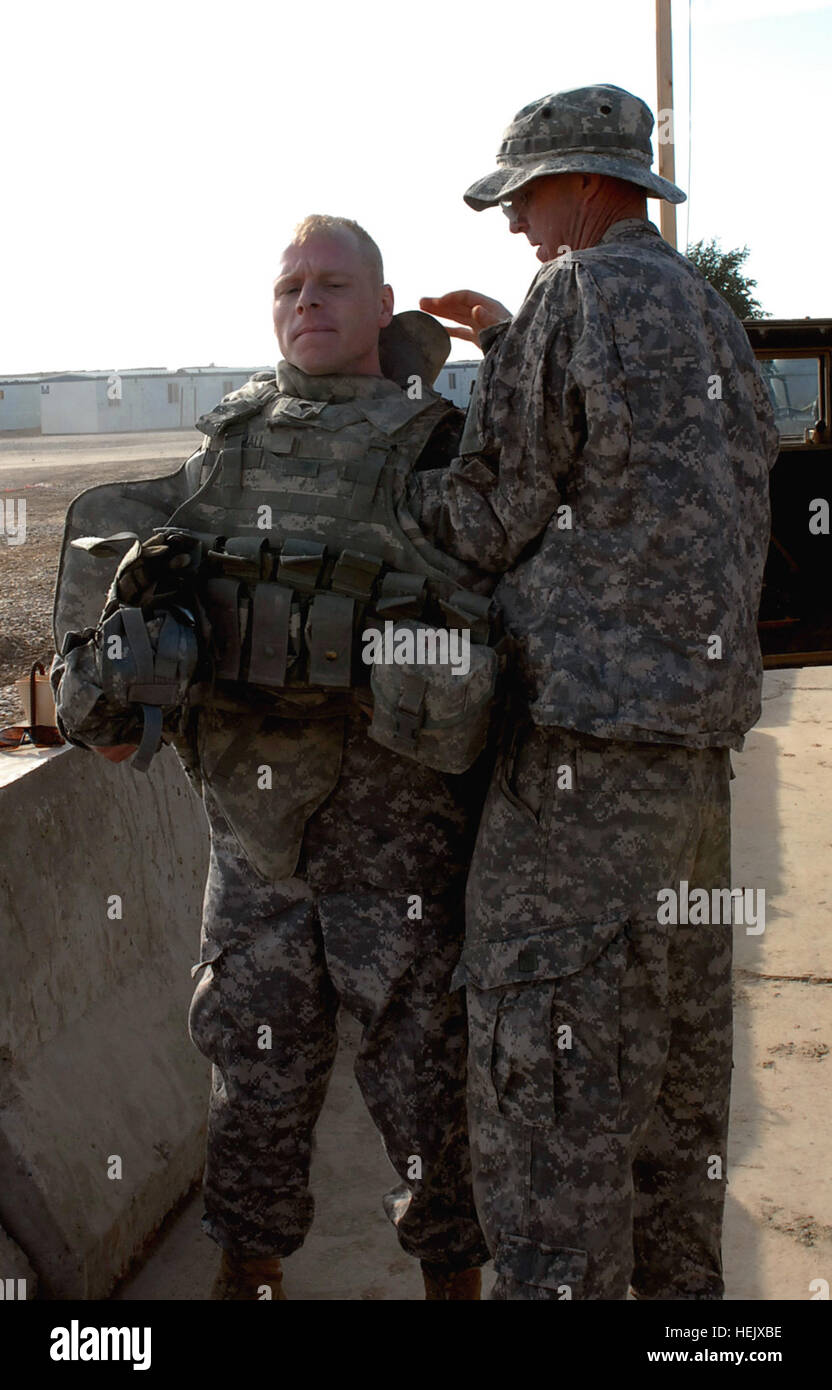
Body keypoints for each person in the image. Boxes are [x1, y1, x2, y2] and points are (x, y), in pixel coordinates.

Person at [50, 214, 496, 1300]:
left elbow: (494, 617)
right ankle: (249, 1270)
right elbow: (126, 563)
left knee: (421, 1069)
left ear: (380, 307)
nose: (307, 301)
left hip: (391, 823)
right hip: (250, 831)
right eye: (290, 284)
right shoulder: (227, 440)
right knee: (251, 1065)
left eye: (332, 283)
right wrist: (115, 687)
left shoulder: (434, 442)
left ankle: (452, 1274)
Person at [407, 84, 780, 1300]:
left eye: (523, 197)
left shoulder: (571, 296)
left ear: (580, 183)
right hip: (695, 768)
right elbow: (646, 479)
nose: (516, 222)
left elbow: (490, 512)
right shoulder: (712, 316)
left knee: (549, 1091)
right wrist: (512, 347)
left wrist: (402, 473)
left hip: (578, 768)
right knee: (675, 1093)